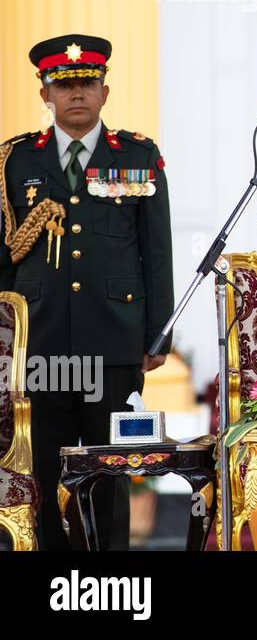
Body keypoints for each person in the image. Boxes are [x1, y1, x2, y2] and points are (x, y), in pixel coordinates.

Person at [0, 34, 173, 550]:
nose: (77, 94)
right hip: (40, 338)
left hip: (113, 339)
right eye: (64, 84)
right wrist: (5, 341)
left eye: (87, 83)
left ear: (105, 90)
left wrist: (157, 335)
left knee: (110, 468)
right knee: (46, 468)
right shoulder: (16, 161)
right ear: (45, 93)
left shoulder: (139, 154)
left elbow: (155, 250)